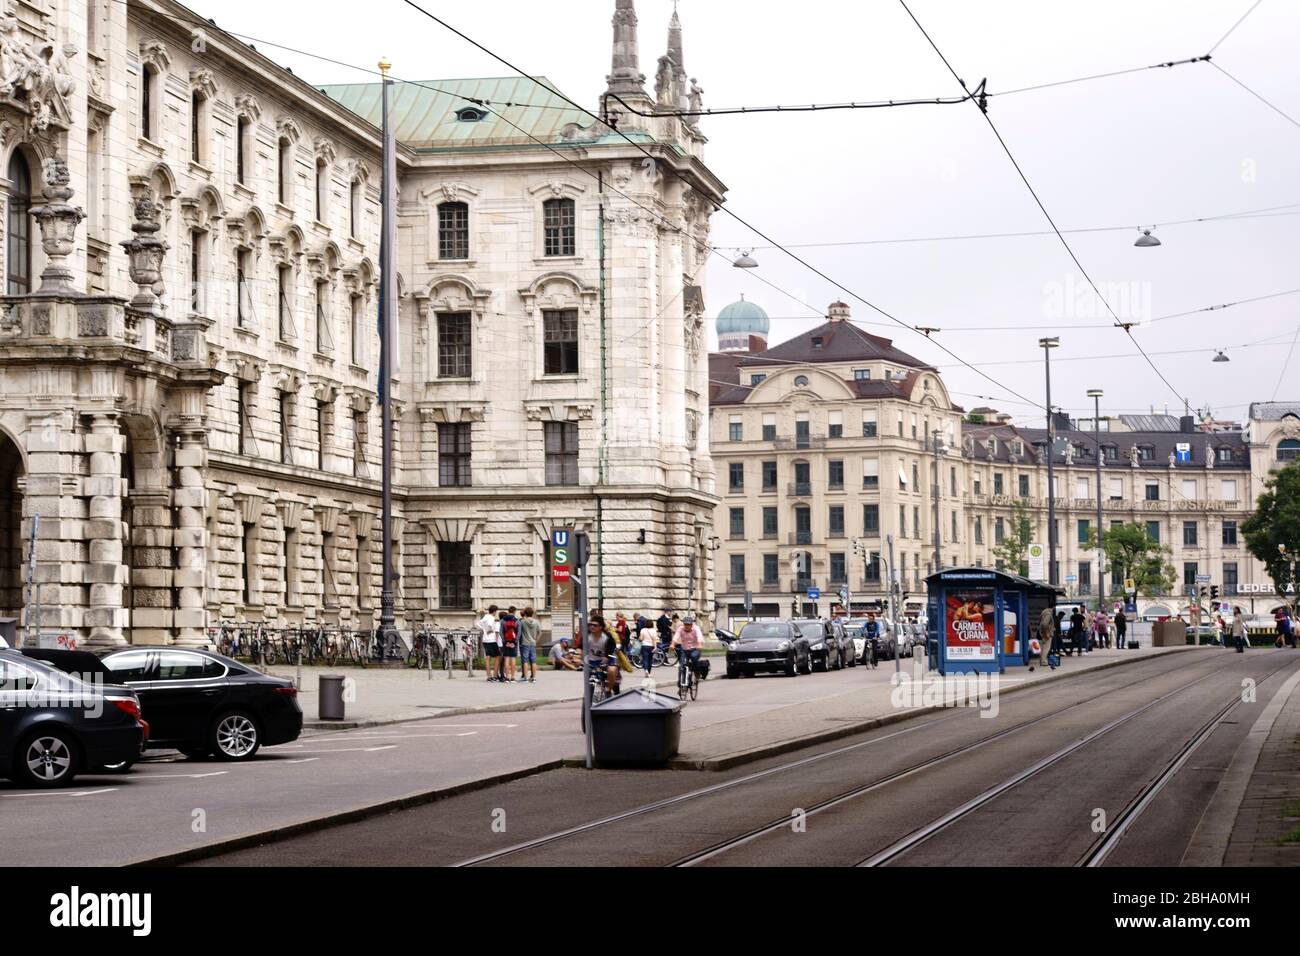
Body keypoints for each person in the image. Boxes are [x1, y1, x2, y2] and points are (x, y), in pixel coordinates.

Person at [584, 617, 619, 696]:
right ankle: (587, 702)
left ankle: (608, 690)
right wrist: (578, 657)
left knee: (612, 670)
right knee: (589, 678)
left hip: (606, 660)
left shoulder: (607, 637)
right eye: (591, 625)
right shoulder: (587, 636)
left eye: (595, 625)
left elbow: (611, 649)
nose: (592, 627)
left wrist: (606, 657)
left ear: (601, 627)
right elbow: (580, 647)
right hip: (591, 661)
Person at [673, 614, 704, 683]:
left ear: (691, 625)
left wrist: (699, 644)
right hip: (684, 649)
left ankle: (697, 673)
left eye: (688, 624)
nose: (687, 626)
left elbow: (699, 636)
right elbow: (676, 636)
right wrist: (672, 644)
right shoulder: (680, 629)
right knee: (681, 665)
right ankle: (681, 683)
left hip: (695, 649)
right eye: (685, 624)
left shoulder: (696, 628)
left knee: (693, 657)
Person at [478, 605, 500, 682]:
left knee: (488, 657)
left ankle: (489, 676)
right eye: (496, 611)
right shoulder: (491, 618)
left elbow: (478, 624)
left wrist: (484, 630)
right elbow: (490, 626)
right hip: (492, 639)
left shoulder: (485, 617)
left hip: (485, 639)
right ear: (494, 611)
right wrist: (489, 630)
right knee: (497, 656)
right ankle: (494, 675)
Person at [498, 607, 520, 683]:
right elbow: (519, 633)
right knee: (513, 658)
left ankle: (507, 677)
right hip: (514, 642)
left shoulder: (503, 621)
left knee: (506, 658)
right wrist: (515, 642)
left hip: (506, 642)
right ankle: (513, 677)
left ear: (508, 611)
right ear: (514, 612)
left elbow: (501, 632)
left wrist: (504, 641)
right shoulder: (517, 621)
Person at [518, 607, 539, 683]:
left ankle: (525, 678)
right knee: (533, 661)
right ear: (532, 613)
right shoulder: (536, 622)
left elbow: (520, 632)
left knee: (525, 661)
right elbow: (539, 632)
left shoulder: (522, 622)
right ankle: (534, 677)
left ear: (525, 613)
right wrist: (536, 640)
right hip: (533, 643)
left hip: (524, 643)